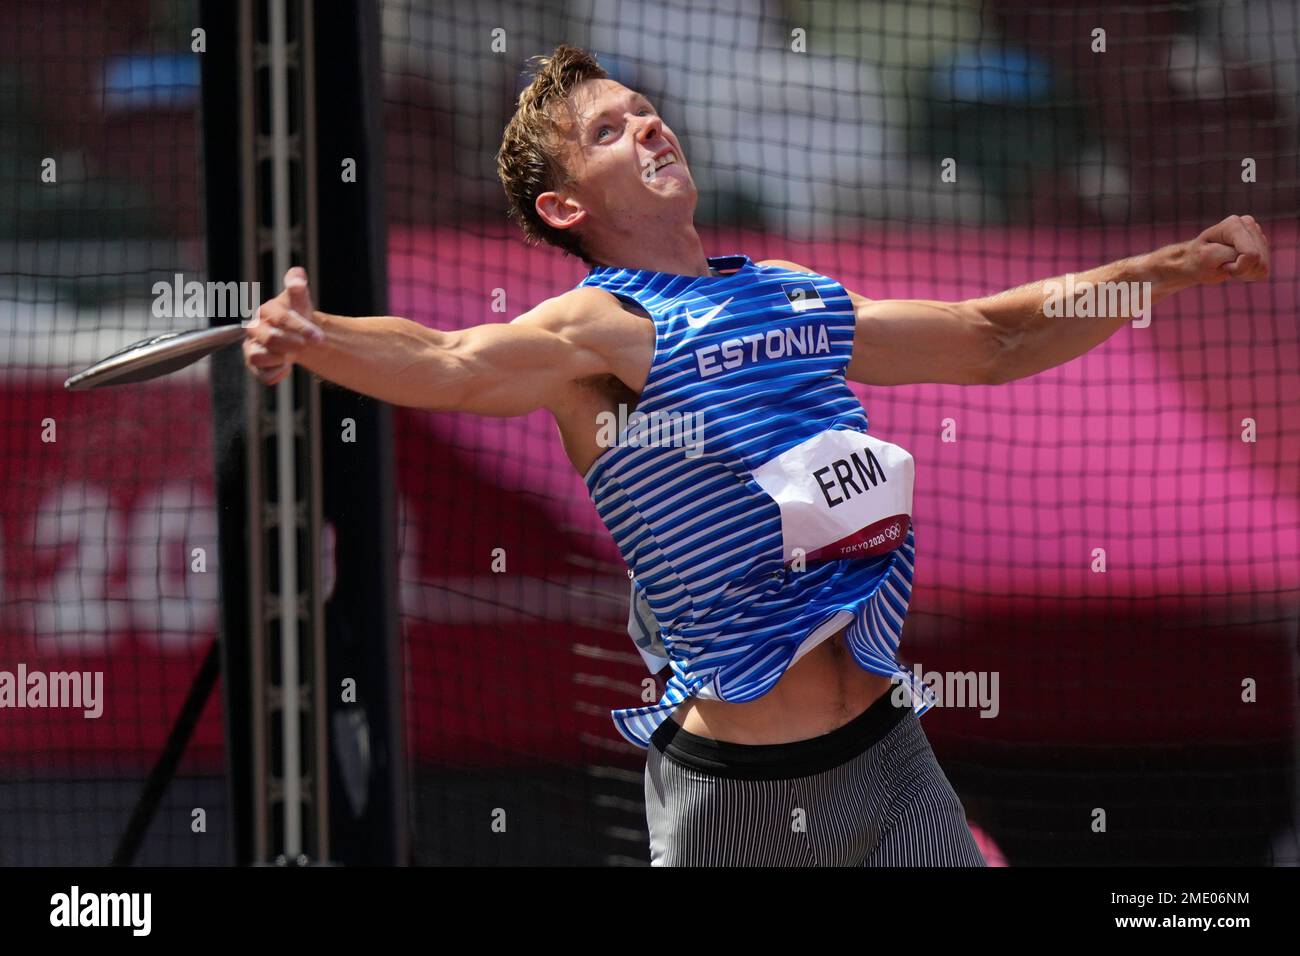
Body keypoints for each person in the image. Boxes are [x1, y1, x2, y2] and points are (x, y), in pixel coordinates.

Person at [243, 45, 1270, 866]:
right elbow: (454, 361)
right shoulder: (596, 330)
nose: (645, 124)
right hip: (738, 804)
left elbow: (988, 337)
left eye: (643, 107)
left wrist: (1169, 266)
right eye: (607, 129)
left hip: (890, 761)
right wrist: (318, 337)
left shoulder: (788, 292)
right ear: (566, 208)